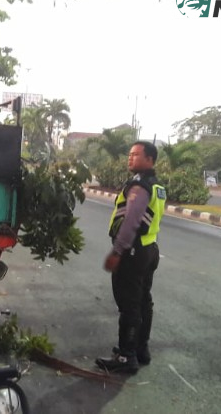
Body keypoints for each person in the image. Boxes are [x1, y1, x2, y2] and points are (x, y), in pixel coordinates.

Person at [96, 141, 166, 374]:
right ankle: (140, 349)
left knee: (129, 305)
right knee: (144, 301)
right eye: (129, 154)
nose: (130, 158)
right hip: (149, 249)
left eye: (136, 155)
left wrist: (118, 251)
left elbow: (131, 222)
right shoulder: (156, 185)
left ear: (150, 159)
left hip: (133, 251)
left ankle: (126, 356)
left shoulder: (139, 185)